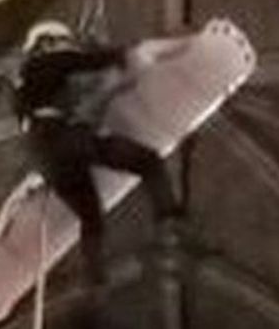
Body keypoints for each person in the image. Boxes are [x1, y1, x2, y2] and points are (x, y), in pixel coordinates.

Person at [15, 20, 180, 287]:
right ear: (46, 43)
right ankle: (171, 223)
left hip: (44, 154)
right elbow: (88, 61)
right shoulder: (44, 61)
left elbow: (79, 88)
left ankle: (95, 279)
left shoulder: (29, 80)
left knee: (91, 218)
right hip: (60, 138)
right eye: (62, 42)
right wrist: (125, 54)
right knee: (147, 161)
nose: (66, 47)